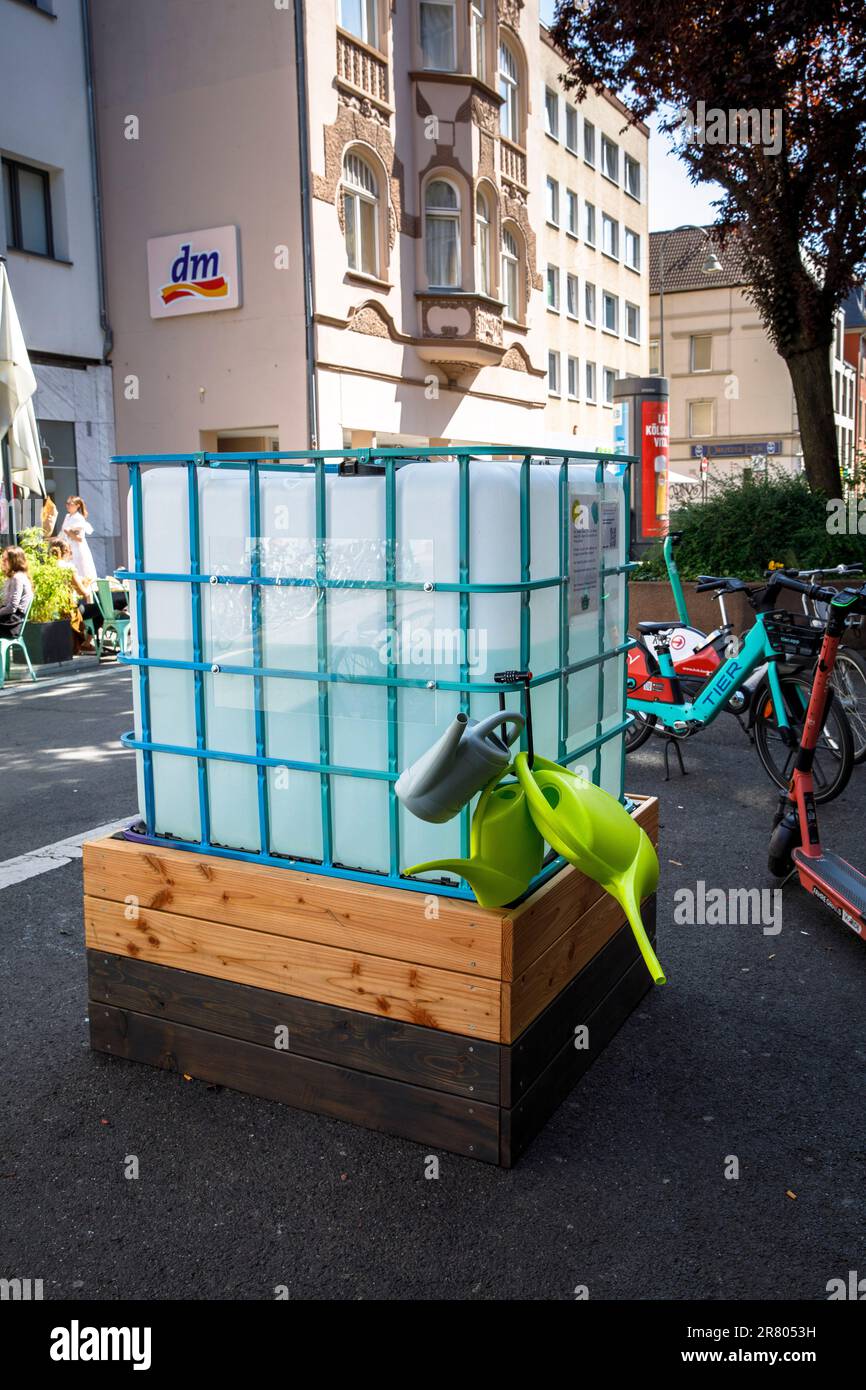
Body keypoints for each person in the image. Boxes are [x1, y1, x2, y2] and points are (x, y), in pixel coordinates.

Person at [48, 537, 94, 654]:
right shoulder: (68, 567)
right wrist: (87, 585)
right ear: (66, 551)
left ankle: (85, 643)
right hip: (68, 608)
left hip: (51, 609)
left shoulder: (47, 568)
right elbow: (82, 592)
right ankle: (86, 643)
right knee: (98, 610)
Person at [60, 496, 97, 583]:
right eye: (67, 503)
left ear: (77, 506)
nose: (68, 506)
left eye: (70, 504)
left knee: (80, 573)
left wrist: (69, 532)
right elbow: (62, 533)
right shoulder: (67, 516)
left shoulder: (79, 518)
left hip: (77, 549)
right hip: (68, 548)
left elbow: (80, 539)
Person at [0, 546, 34, 640]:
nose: (2, 562)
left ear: (14, 561)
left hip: (12, 624)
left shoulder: (17, 578)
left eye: (5, 559)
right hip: (10, 620)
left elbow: (12, 607)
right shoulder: (16, 577)